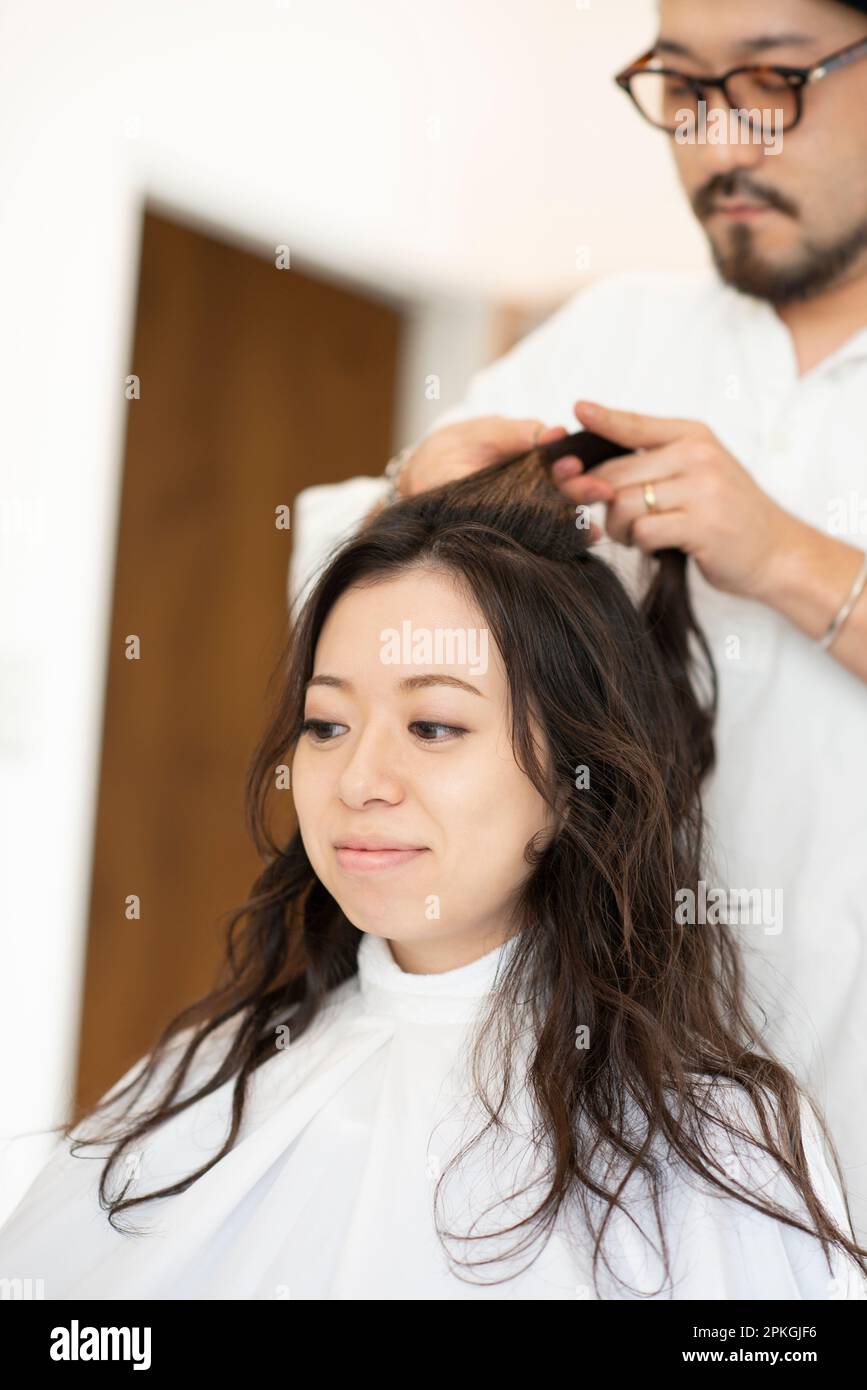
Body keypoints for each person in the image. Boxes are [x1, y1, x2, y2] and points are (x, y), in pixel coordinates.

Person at [0, 446, 865, 1300]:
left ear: (576, 780)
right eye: (326, 725)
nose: (358, 781)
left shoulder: (713, 1149)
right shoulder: (208, 1078)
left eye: (434, 727)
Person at [288, 0, 867, 1241]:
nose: (718, 140)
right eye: (683, 88)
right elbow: (349, 641)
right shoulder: (617, 337)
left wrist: (786, 557)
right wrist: (409, 503)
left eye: (771, 79)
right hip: (590, 1123)